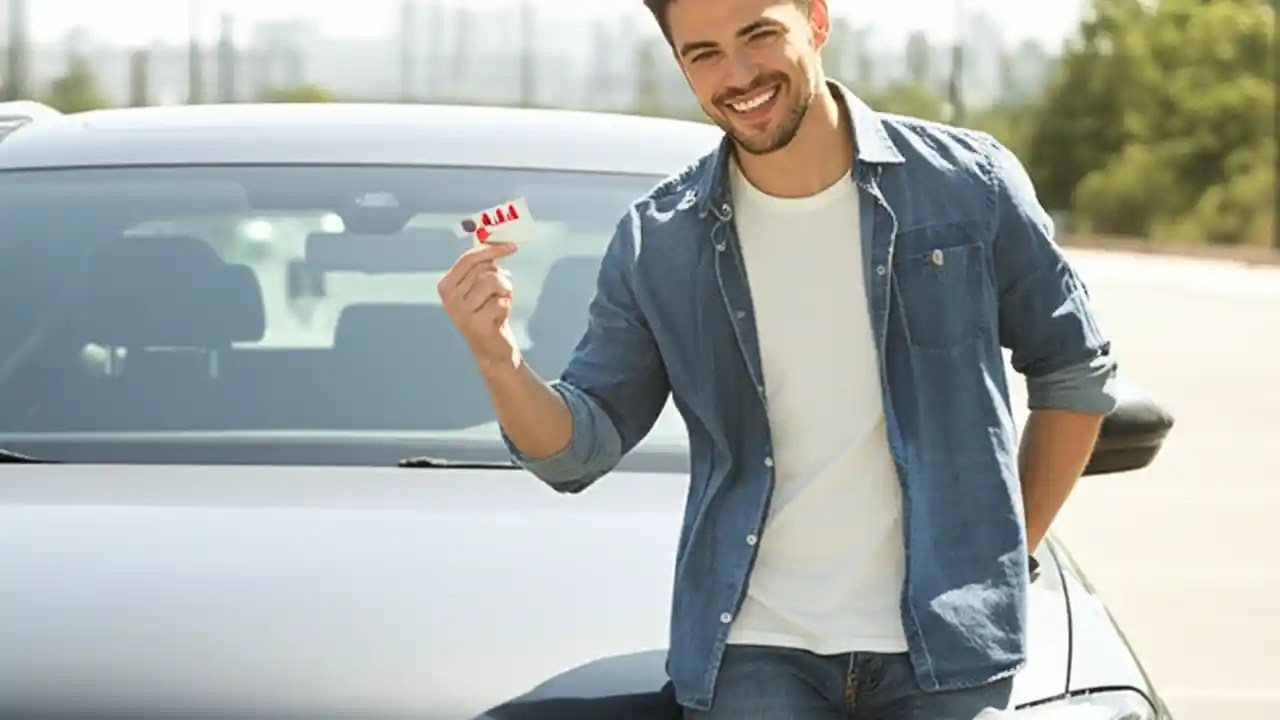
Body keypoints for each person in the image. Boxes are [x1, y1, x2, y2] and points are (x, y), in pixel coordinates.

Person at [438, 0, 1119, 717]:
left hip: (950, 654)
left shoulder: (966, 184)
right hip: (754, 655)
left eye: (758, 35)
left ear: (816, 21)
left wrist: (1004, 558)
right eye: (703, 54)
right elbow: (579, 448)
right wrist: (498, 359)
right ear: (681, 66)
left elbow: (1074, 371)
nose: (738, 74)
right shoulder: (660, 242)